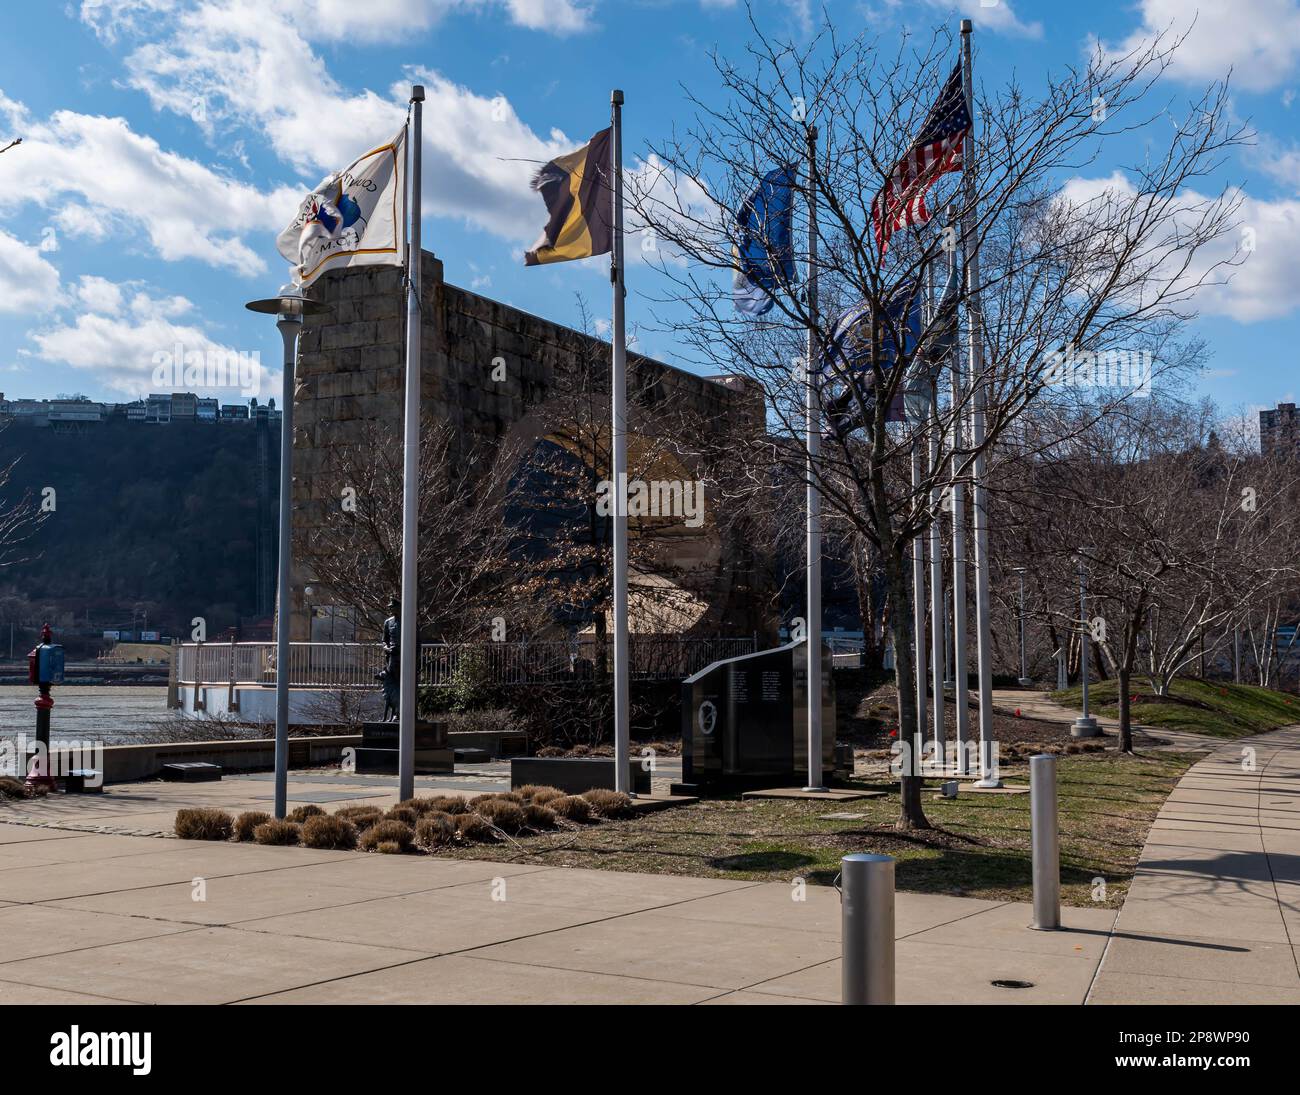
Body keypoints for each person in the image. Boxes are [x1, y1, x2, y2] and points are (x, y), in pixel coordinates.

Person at [377, 596, 400, 721]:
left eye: (393, 607)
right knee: (393, 685)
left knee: (403, 684)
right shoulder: (388, 622)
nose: (391, 610)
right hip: (392, 658)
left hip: (406, 658)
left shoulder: (409, 621)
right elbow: (384, 641)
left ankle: (399, 712)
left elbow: (417, 643)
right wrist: (387, 649)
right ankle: (394, 713)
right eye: (390, 608)